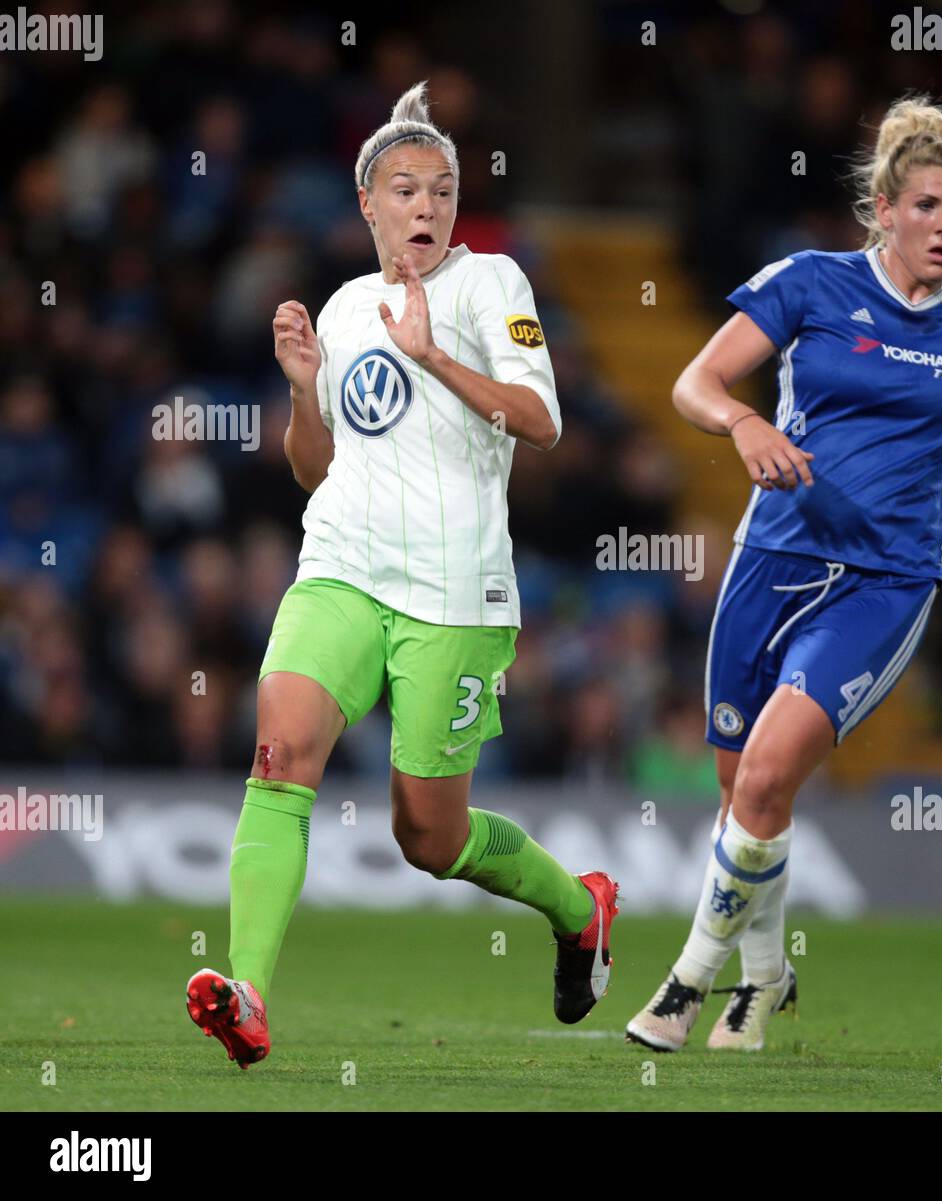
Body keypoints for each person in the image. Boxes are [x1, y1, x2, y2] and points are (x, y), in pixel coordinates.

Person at [185, 83, 618, 1069]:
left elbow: (542, 421)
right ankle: (247, 993)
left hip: (453, 594)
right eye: (403, 190)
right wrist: (302, 393)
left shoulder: (491, 285)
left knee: (428, 834)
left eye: (440, 190)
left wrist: (435, 360)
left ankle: (577, 907)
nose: (424, 207)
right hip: (340, 567)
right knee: (279, 754)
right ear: (368, 207)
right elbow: (311, 469)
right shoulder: (340, 309)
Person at [626, 95, 942, 1052]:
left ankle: (686, 983)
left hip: (887, 579)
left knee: (767, 777)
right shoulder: (808, 283)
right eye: (928, 205)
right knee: (744, 800)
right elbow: (696, 383)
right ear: (883, 208)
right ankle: (766, 981)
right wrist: (745, 422)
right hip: (771, 556)